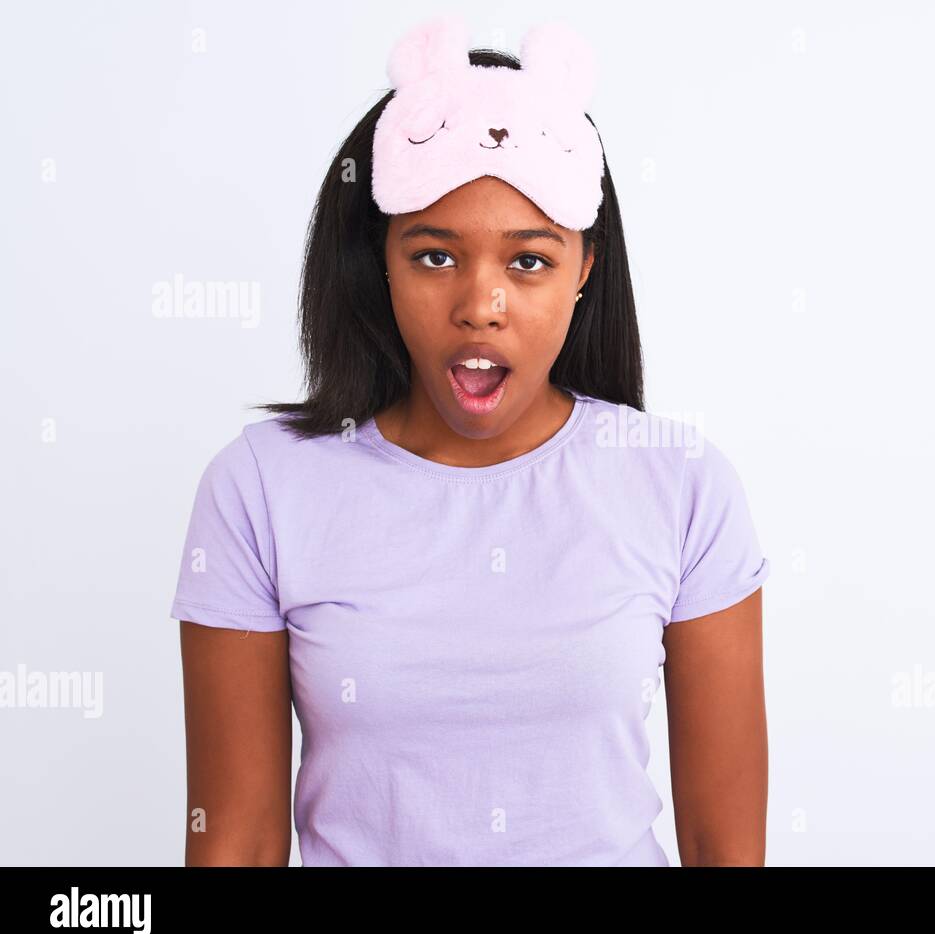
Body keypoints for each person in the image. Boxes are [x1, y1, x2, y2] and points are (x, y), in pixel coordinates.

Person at [171, 16, 770, 866]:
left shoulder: (682, 484)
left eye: (528, 261)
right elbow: (235, 839)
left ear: (585, 267)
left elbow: (725, 847)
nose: (479, 305)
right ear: (380, 258)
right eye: (434, 256)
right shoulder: (260, 488)